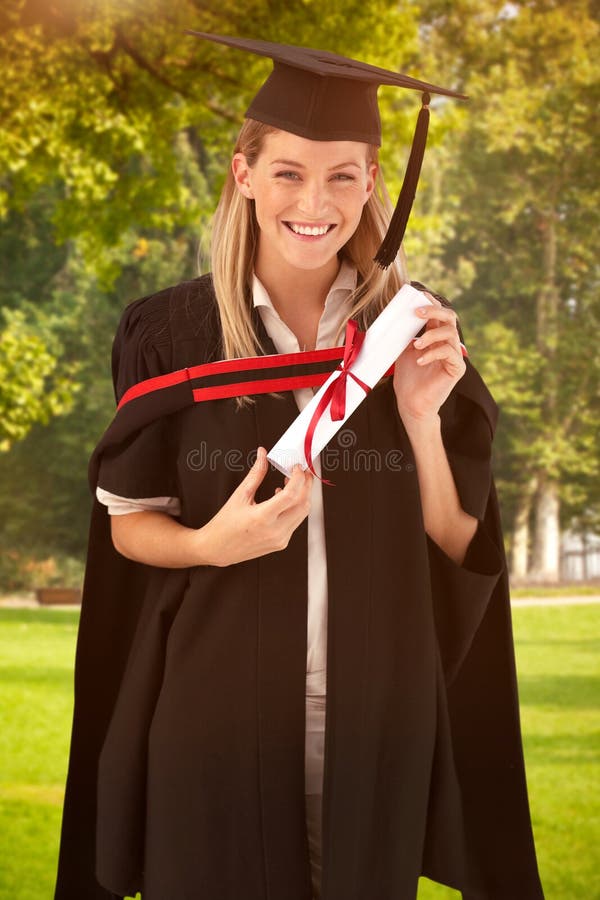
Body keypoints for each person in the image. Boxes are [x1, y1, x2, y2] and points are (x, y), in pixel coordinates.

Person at [55, 33, 544, 900]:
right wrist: (214, 545)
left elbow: (461, 545)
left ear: (373, 180)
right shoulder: (168, 334)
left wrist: (423, 422)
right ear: (243, 173)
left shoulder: (416, 333)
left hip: (378, 724)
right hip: (212, 716)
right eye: (287, 172)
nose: (314, 201)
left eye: (342, 175)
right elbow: (128, 525)